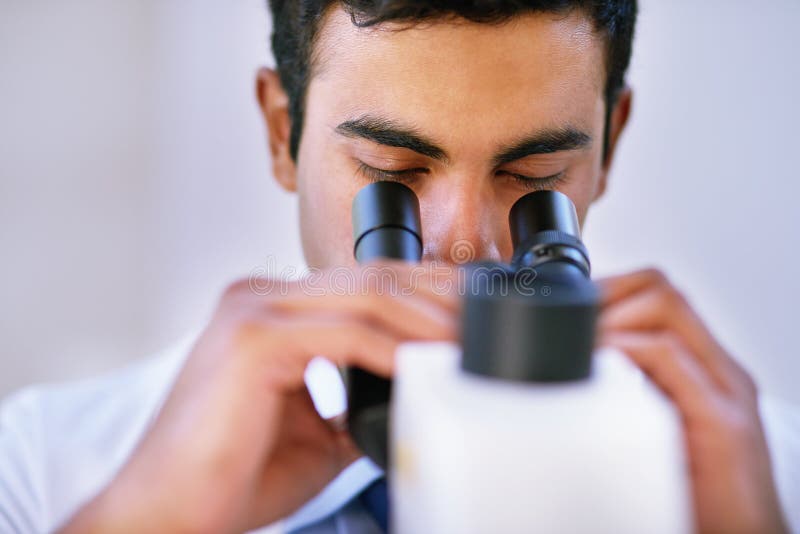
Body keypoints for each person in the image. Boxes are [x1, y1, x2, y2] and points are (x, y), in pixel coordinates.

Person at [0, 1, 796, 533]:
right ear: (282, 132)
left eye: (536, 177)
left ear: (610, 143)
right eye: (391, 170)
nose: (464, 245)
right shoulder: (40, 469)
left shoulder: (756, 474)